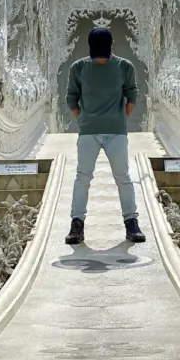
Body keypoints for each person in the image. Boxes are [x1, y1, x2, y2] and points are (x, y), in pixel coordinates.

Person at [65, 26, 146, 245]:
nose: (100, 58)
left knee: (123, 178)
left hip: (116, 133)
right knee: (83, 178)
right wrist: (84, 119)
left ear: (111, 46)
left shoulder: (124, 67)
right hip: (88, 133)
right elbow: (71, 98)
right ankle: (76, 224)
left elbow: (132, 96)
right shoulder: (78, 68)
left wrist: (119, 119)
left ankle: (132, 223)